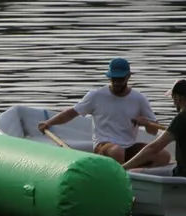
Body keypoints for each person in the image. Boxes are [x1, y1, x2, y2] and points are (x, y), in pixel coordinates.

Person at [37, 58, 171, 166]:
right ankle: (123, 174)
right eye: (114, 79)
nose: (117, 83)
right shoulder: (96, 96)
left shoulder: (139, 99)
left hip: (129, 146)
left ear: (128, 77)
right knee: (117, 151)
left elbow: (153, 131)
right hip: (104, 146)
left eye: (121, 79)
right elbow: (71, 113)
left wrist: (146, 124)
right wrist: (49, 122)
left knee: (164, 156)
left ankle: (133, 173)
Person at [123, 79, 186, 185]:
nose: (173, 102)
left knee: (132, 173)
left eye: (173, 97)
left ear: (178, 98)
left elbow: (154, 148)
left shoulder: (183, 117)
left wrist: (124, 167)